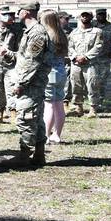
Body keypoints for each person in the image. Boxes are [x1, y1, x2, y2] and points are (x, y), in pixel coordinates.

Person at [6, 1, 51, 168]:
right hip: (31, 82)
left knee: (26, 118)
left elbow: (32, 61)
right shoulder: (30, 32)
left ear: (26, 12)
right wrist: (9, 54)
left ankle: (24, 155)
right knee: (36, 119)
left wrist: (21, 83)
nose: (17, 14)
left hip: (31, 84)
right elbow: (24, 57)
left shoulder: (37, 33)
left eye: (19, 11)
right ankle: (39, 155)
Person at [0, 5, 21, 122]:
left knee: (12, 89)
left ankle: (13, 114)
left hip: (11, 65)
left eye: (11, 14)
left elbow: (20, 50)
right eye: (5, 14)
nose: (9, 17)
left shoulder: (17, 30)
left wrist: (9, 53)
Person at [67, 10, 103, 117]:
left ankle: (93, 108)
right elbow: (69, 47)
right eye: (83, 15)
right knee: (76, 85)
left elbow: (98, 46)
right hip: (76, 63)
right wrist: (75, 56)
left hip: (91, 63)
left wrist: (86, 57)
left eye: (87, 16)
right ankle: (79, 107)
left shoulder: (97, 31)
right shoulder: (74, 32)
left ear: (91, 17)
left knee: (93, 85)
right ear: (80, 17)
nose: (85, 17)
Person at [41, 8, 69, 144]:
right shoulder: (61, 34)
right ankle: (57, 134)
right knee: (59, 104)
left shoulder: (47, 35)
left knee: (49, 105)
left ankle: (46, 135)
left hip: (50, 73)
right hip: (61, 71)